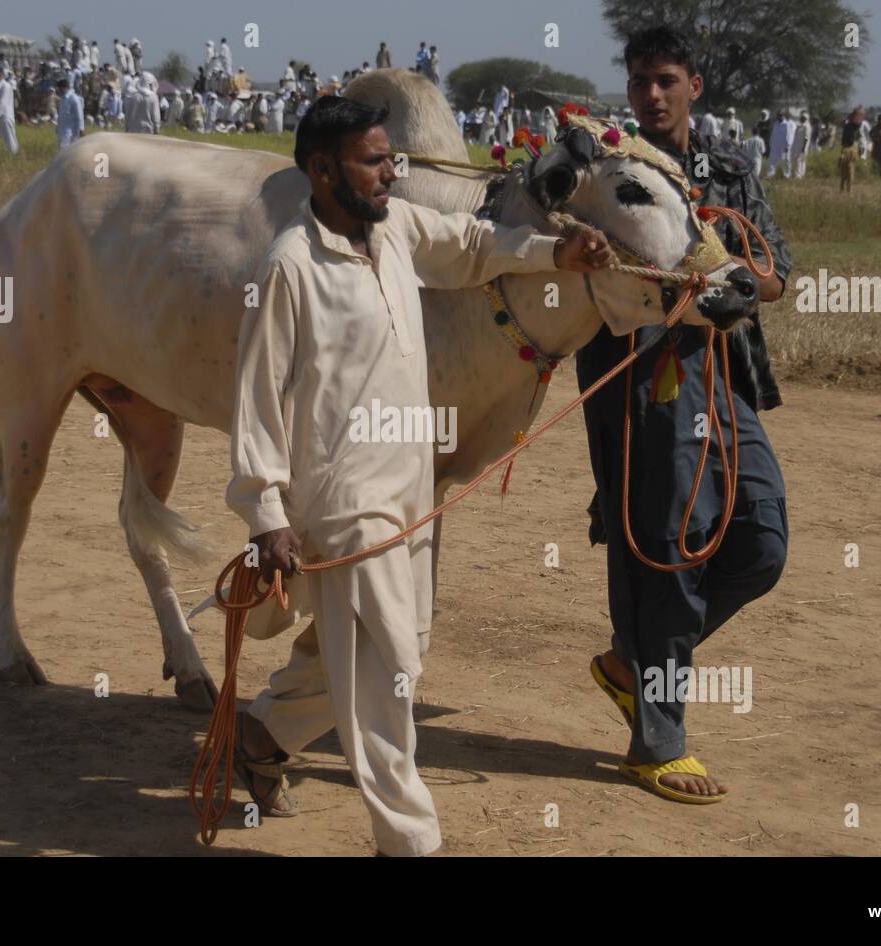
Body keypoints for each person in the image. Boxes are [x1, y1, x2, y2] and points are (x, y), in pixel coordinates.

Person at [229, 94, 614, 855]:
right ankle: (408, 841)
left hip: (412, 489)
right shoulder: (289, 267)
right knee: (388, 673)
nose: (390, 173)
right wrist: (266, 515)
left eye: (391, 157)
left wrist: (553, 255)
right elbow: (256, 402)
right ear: (322, 169)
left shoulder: (397, 228)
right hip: (346, 504)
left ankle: (266, 733)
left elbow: (471, 247)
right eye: (374, 160)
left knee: (408, 640)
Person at [576, 25, 792, 805]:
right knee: (668, 548)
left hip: (727, 375)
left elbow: (776, 274)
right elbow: (569, 274)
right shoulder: (601, 170)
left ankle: (637, 664)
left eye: (665, 79)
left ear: (693, 86)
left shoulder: (730, 168)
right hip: (638, 379)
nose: (651, 94)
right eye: (639, 82)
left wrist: (736, 284)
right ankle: (656, 744)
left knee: (762, 543)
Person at [839, 106, 863, 191]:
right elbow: (840, 123)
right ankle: (841, 189)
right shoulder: (846, 125)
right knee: (843, 170)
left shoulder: (856, 126)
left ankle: (850, 190)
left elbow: (858, 121)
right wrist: (849, 116)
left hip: (851, 149)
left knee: (850, 170)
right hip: (844, 148)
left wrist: (856, 114)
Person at [56, 76, 84, 147]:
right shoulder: (62, 99)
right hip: (61, 131)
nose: (59, 91)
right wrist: (58, 127)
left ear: (65, 88)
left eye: (60, 89)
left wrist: (81, 129)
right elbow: (61, 115)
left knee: (67, 153)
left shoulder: (73, 99)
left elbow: (79, 116)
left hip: (70, 132)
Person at [767, 108, 795, 177]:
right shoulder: (775, 124)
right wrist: (770, 143)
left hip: (784, 145)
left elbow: (789, 136)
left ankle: (787, 175)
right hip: (775, 144)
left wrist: (788, 146)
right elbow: (773, 134)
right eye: (779, 115)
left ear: (784, 116)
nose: (780, 116)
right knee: (772, 159)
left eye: (781, 115)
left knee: (785, 160)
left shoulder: (787, 124)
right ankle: (771, 173)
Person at [793, 111, 811, 178]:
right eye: (801, 117)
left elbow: (806, 138)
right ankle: (801, 175)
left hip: (803, 147)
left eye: (803, 118)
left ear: (806, 119)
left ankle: (798, 176)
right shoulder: (800, 126)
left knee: (799, 161)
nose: (802, 119)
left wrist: (803, 147)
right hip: (798, 146)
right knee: (801, 161)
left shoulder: (807, 126)